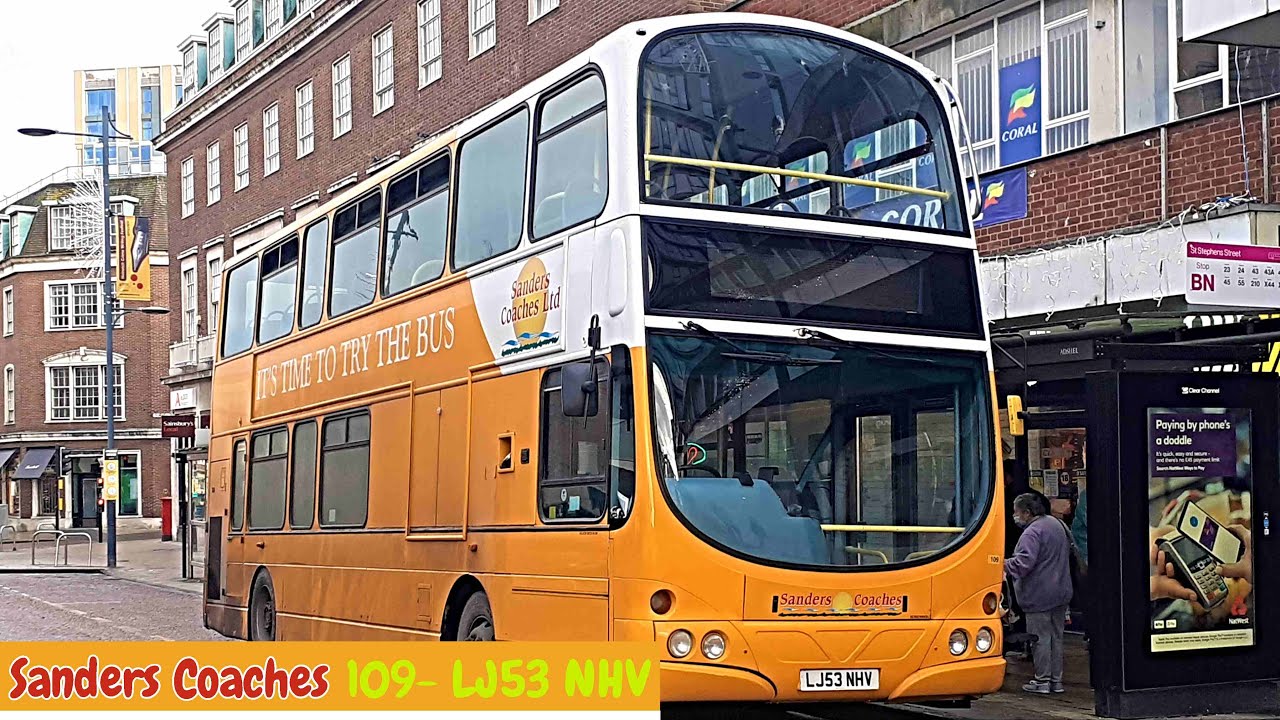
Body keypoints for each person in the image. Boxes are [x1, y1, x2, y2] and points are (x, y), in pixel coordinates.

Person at [1005, 492, 1074, 694]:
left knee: (1040, 638)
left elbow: (1023, 563)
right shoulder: (1056, 524)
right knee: (1056, 637)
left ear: (1027, 512)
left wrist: (1000, 563)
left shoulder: (1032, 532)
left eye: (1016, 512)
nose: (1015, 516)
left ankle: (1042, 680)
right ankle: (1056, 681)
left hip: (1039, 594)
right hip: (1061, 590)